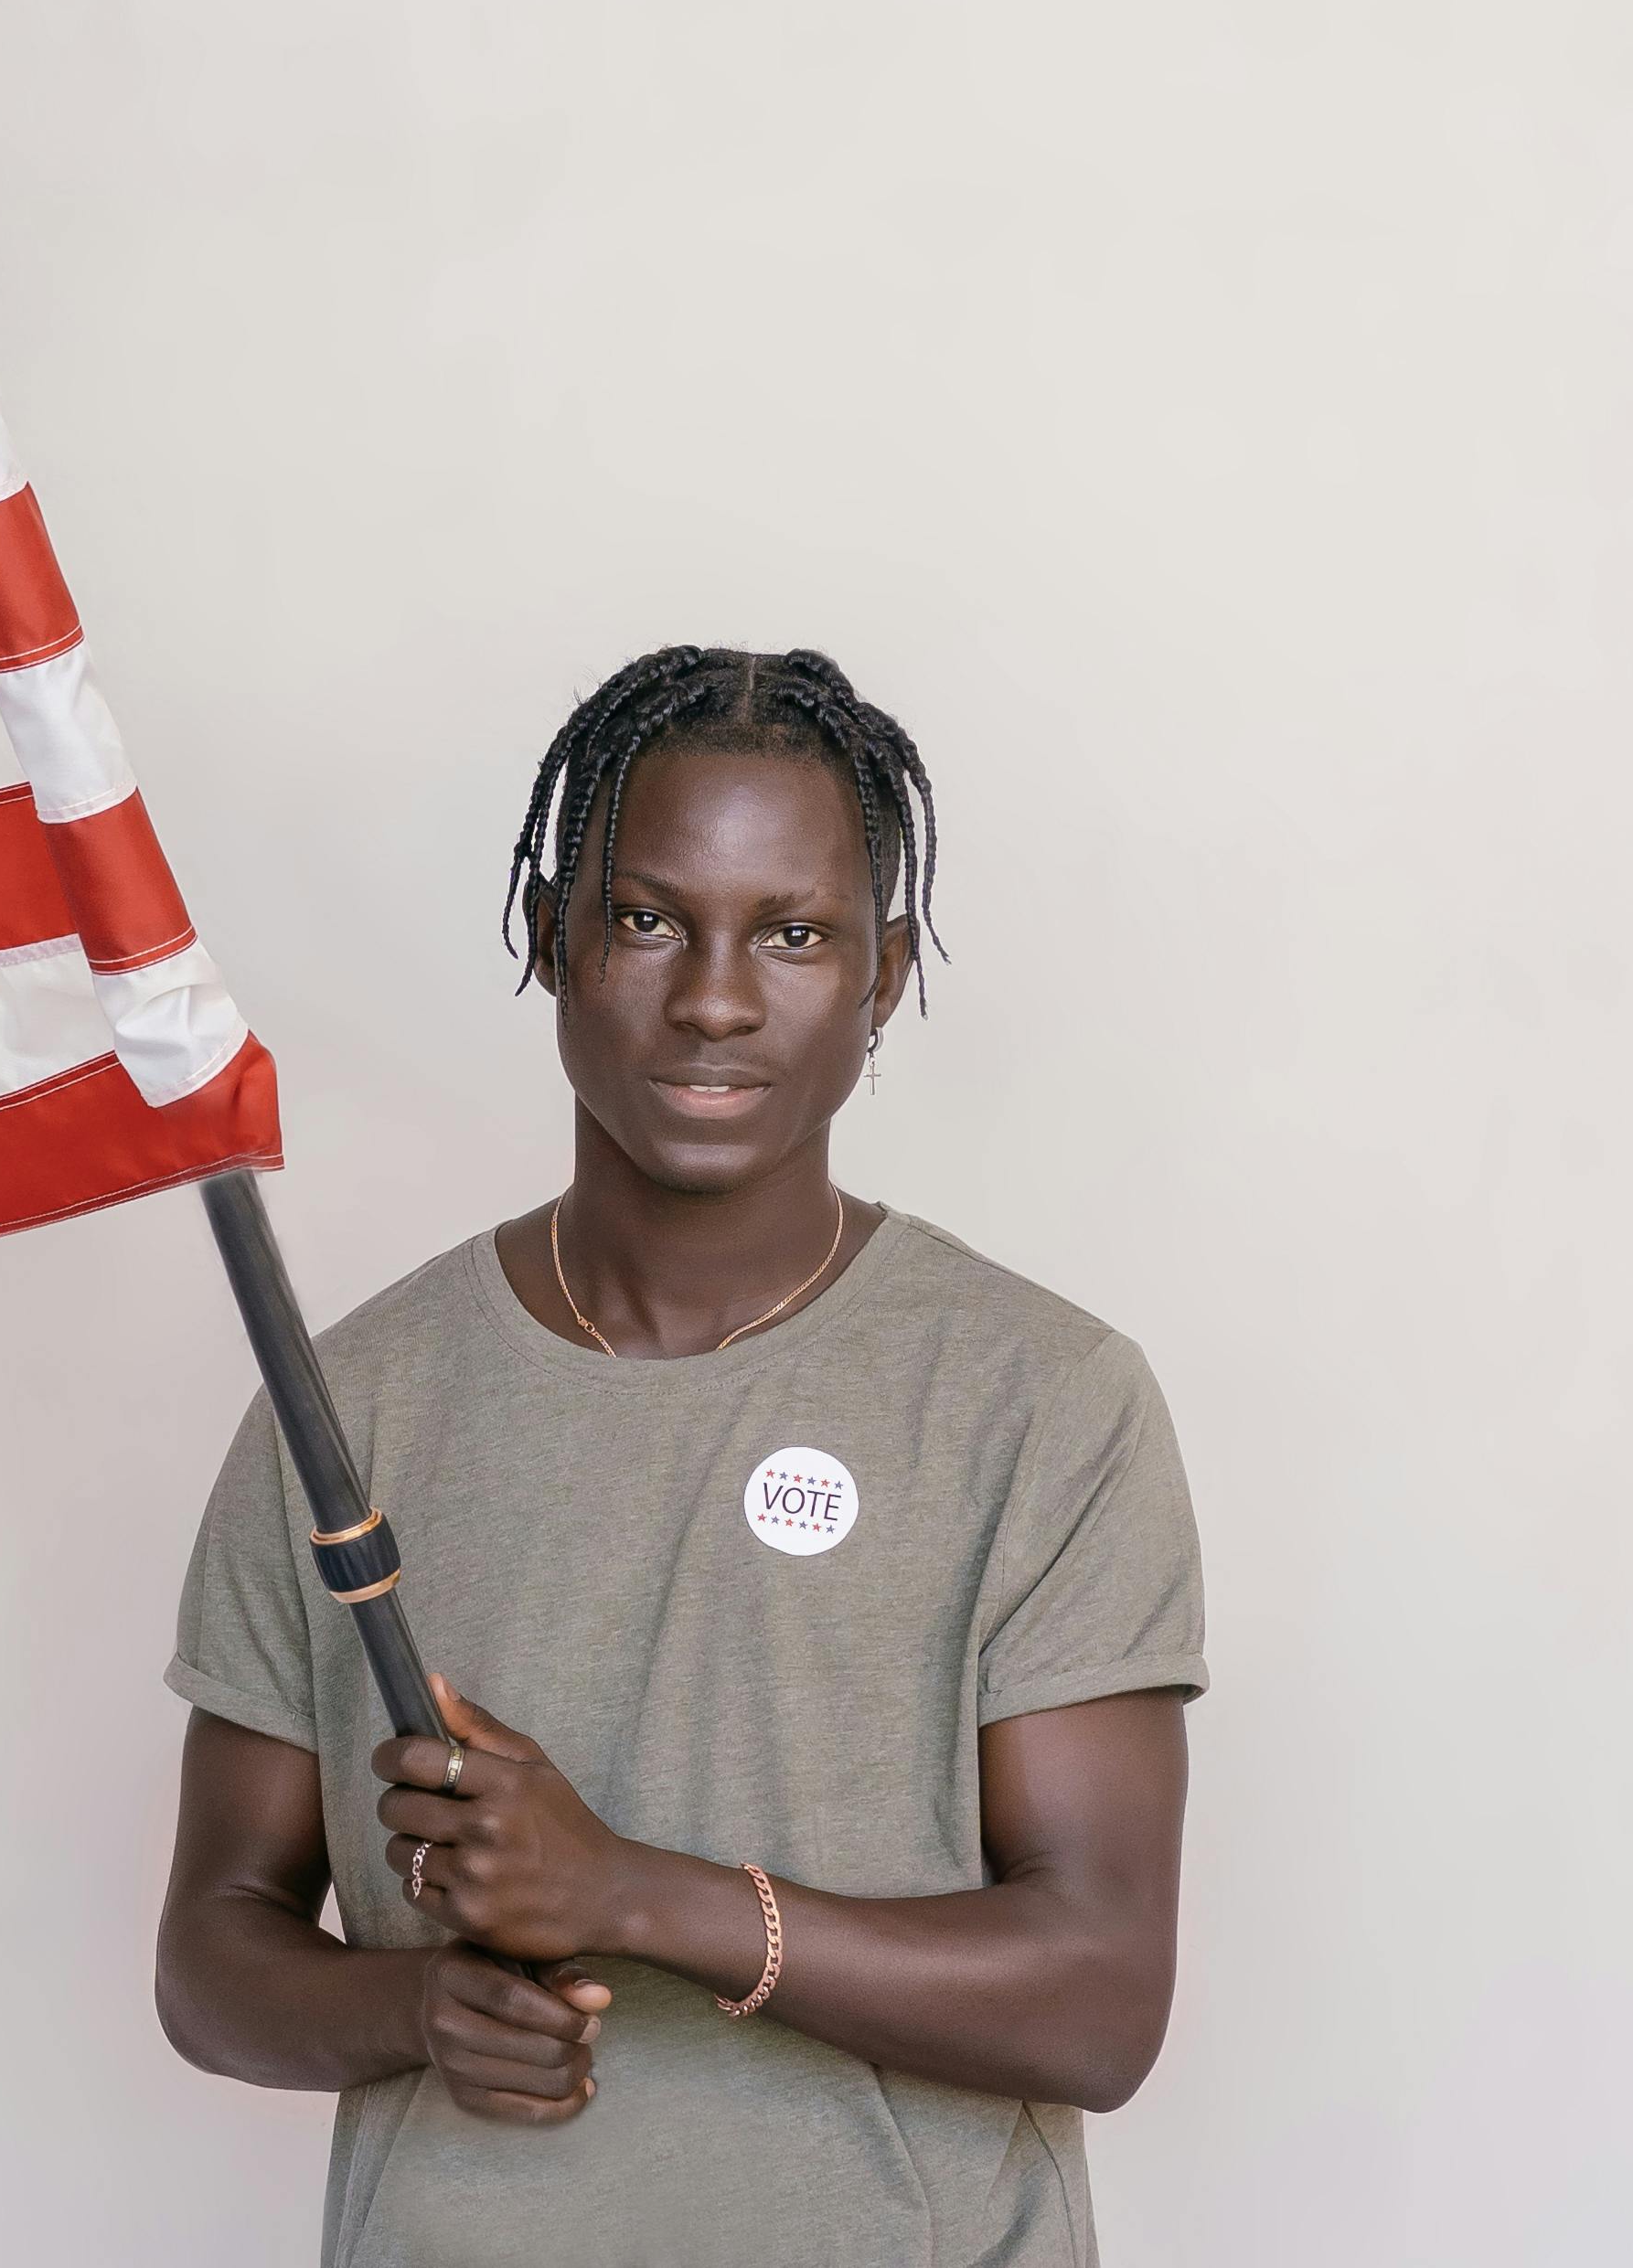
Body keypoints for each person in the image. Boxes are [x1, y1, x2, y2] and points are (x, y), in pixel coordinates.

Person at [156, 648, 1206, 2266]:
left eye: (794, 934)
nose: (716, 996)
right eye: (649, 919)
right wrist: (412, 2008)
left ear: (886, 973)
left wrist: (634, 1897)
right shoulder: (351, 1401)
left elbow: (1099, 2003)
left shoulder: (1042, 1400)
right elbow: (212, 1962)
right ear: (553, 940)